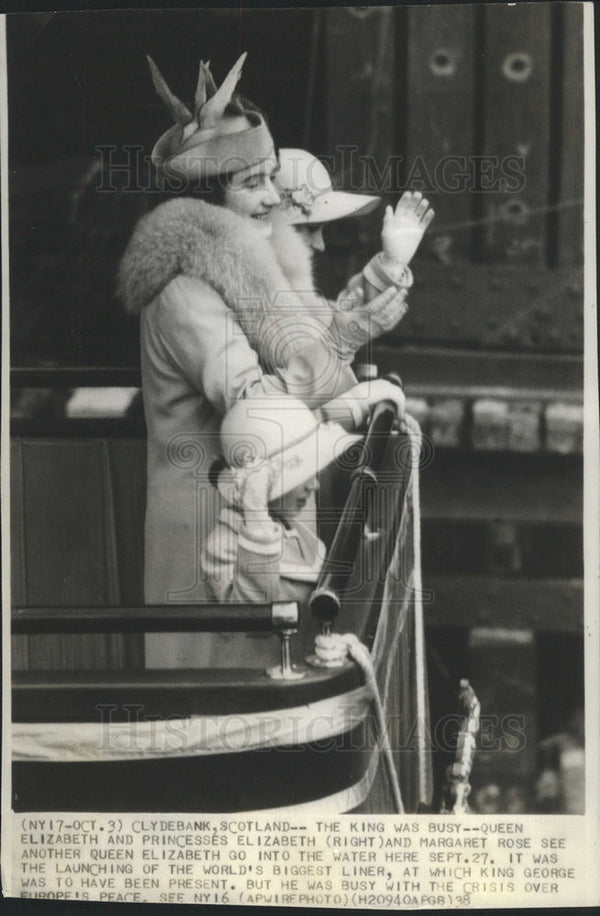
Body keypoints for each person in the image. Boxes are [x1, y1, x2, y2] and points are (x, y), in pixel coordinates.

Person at [117, 53, 408, 665]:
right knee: (212, 695)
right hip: (203, 518)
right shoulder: (182, 291)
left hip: (246, 503)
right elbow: (256, 405)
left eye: (271, 178)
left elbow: (309, 339)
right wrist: (343, 338)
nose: (273, 197)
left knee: (255, 672)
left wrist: (373, 287)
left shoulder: (243, 273)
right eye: (252, 184)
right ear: (207, 198)